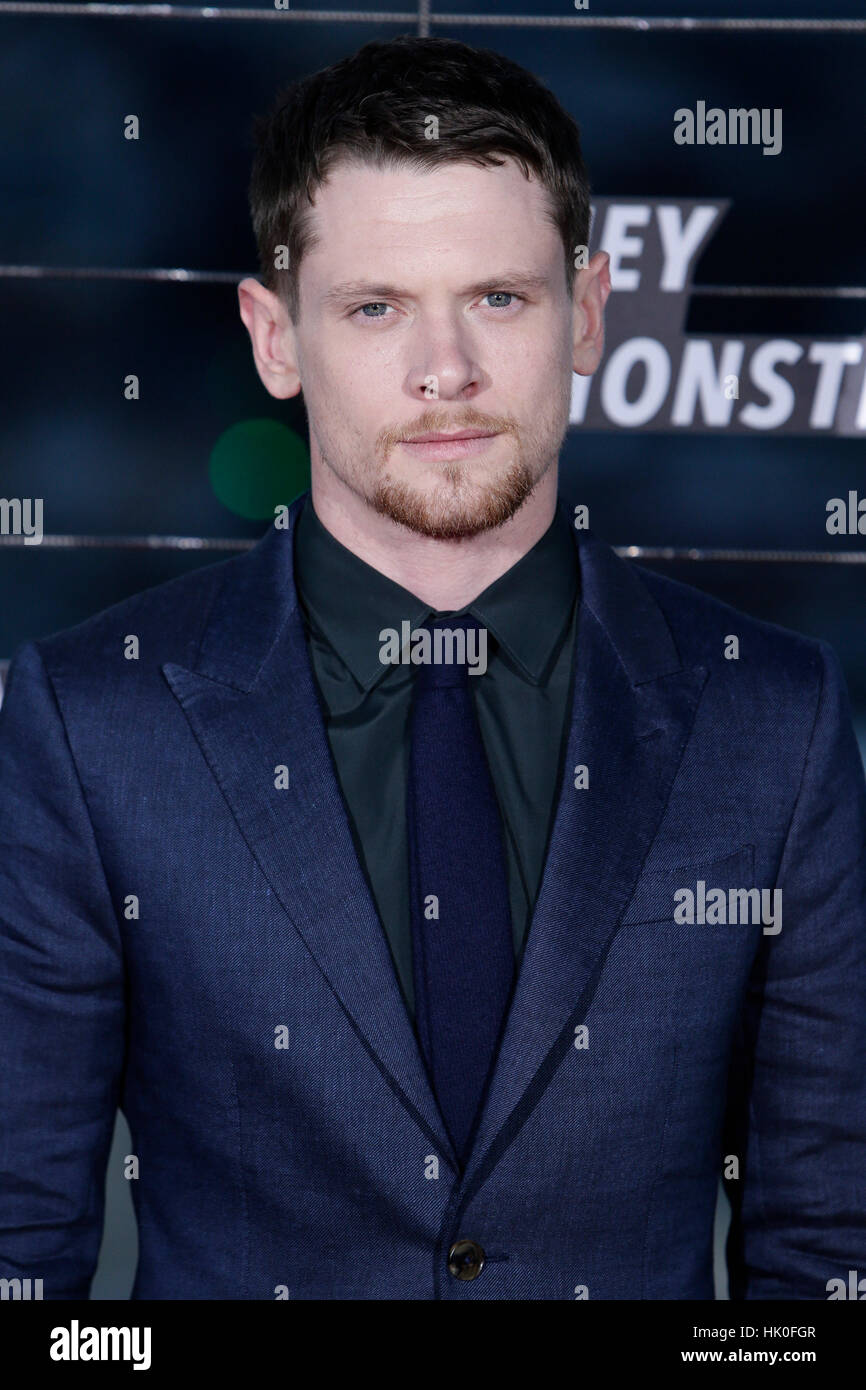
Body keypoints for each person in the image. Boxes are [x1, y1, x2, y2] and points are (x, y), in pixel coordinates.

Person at [1, 34, 864, 1301]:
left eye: (497, 299)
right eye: (375, 306)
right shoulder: (91, 722)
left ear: (588, 313)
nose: (445, 371)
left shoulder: (773, 724)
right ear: (273, 337)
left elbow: (827, 1253)